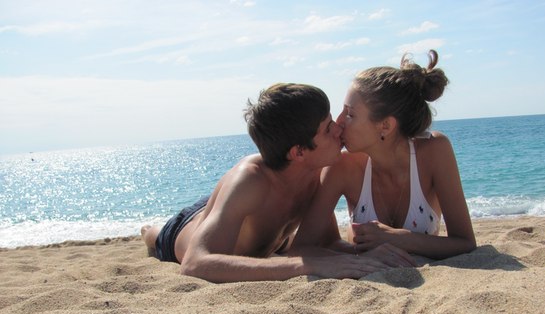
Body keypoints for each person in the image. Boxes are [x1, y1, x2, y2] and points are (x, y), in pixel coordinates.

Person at [141, 83, 414, 283]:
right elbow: (194, 265)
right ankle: (150, 230)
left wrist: (364, 255)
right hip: (184, 230)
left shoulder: (315, 174)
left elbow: (329, 241)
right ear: (299, 152)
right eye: (327, 127)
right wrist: (305, 266)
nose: (339, 129)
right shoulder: (250, 181)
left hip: (264, 238)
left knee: (276, 241)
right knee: (156, 236)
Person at [291, 50, 476, 260]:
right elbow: (300, 248)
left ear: (385, 126)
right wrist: (350, 258)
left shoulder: (434, 150)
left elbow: (465, 242)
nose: (339, 121)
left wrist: (398, 238)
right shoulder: (342, 166)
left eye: (350, 114)